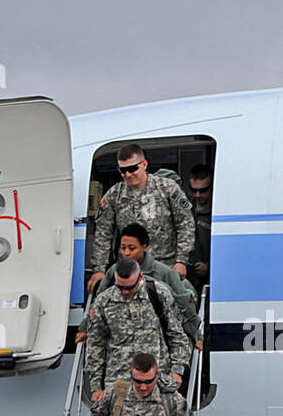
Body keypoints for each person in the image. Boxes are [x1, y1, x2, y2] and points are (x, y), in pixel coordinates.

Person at [86, 256, 192, 401]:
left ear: (140, 276)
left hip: (157, 382)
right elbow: (95, 345)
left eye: (129, 287)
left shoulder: (159, 294)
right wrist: (96, 386)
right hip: (119, 384)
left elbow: (177, 335)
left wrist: (177, 371)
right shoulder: (104, 302)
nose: (124, 292)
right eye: (120, 287)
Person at [78, 223, 201, 346]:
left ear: (144, 246)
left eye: (131, 248)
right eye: (123, 248)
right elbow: (98, 304)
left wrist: (197, 336)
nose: (126, 253)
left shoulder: (166, 274)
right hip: (120, 340)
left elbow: (185, 307)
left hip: (157, 341)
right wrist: (85, 328)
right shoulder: (114, 272)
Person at [88, 143, 195, 282]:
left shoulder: (167, 188)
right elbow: (103, 233)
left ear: (144, 164)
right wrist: (99, 270)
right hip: (130, 270)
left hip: (164, 267)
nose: (128, 174)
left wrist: (181, 261)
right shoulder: (115, 194)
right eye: (123, 170)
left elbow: (186, 224)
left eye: (132, 169)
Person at [187, 165, 212, 289]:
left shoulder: (217, 211)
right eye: (193, 190)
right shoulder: (186, 209)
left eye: (202, 190)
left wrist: (209, 267)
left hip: (210, 279)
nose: (197, 195)